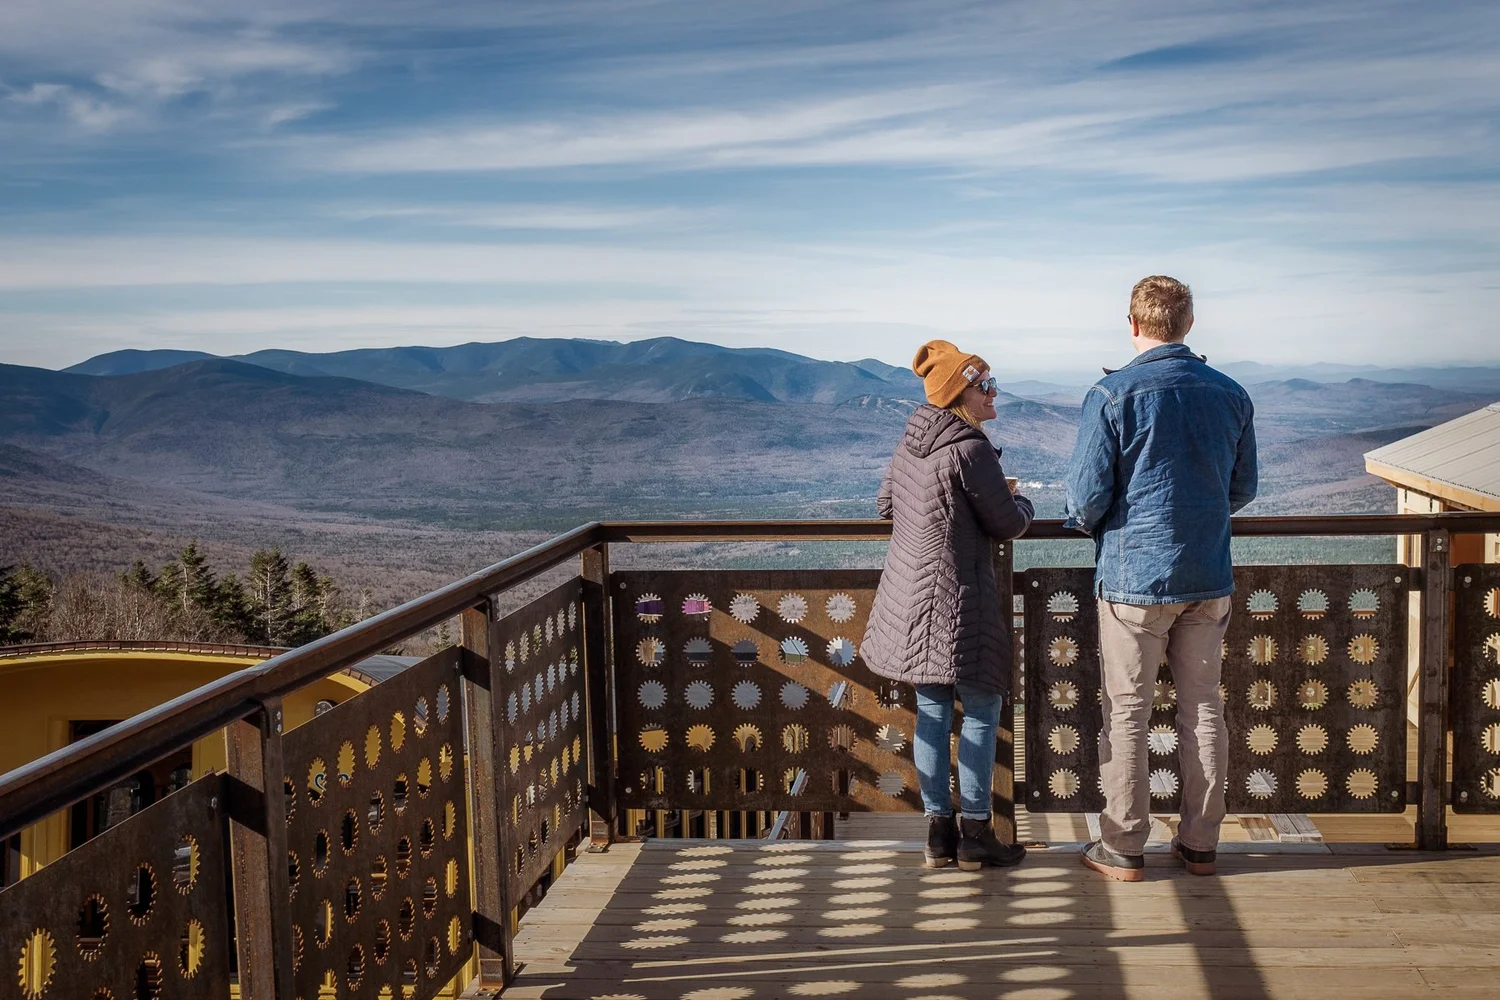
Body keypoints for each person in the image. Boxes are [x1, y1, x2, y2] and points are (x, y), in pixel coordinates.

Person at [1064, 275, 1258, 881]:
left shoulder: (1111, 395)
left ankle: (1124, 845)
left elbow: (1085, 499)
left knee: (1128, 713)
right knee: (1203, 709)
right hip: (1208, 574)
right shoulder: (1231, 394)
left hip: (1134, 581)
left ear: (1132, 325)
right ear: (1188, 324)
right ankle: (1201, 843)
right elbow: (1243, 487)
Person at [862, 339, 1034, 871]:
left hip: (910, 597)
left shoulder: (909, 443)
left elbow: (886, 505)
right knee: (981, 709)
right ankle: (976, 833)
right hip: (960, 599)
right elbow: (1007, 523)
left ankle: (939, 834)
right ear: (961, 393)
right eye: (986, 386)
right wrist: (1021, 502)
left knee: (932, 712)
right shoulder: (970, 449)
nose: (993, 393)